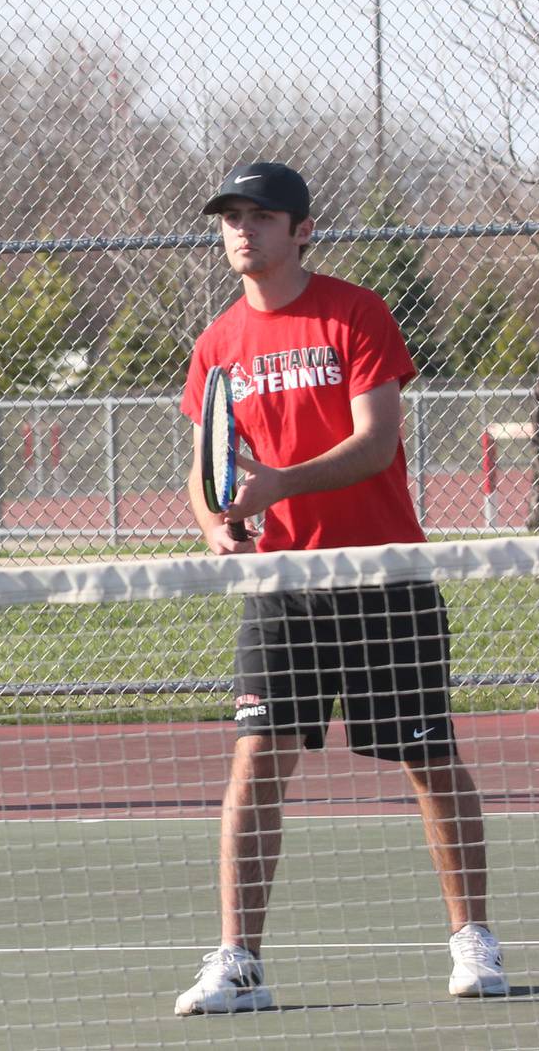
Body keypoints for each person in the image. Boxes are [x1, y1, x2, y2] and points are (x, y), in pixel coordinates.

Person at [174, 162, 507, 1015]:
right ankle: (239, 959)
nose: (241, 230)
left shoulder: (355, 313)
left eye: (260, 215)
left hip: (382, 575)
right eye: (230, 217)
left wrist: (277, 485)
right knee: (256, 761)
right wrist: (215, 521)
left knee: (430, 759)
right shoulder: (217, 344)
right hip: (284, 589)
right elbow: (206, 465)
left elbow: (375, 443)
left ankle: (473, 939)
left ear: (302, 229)